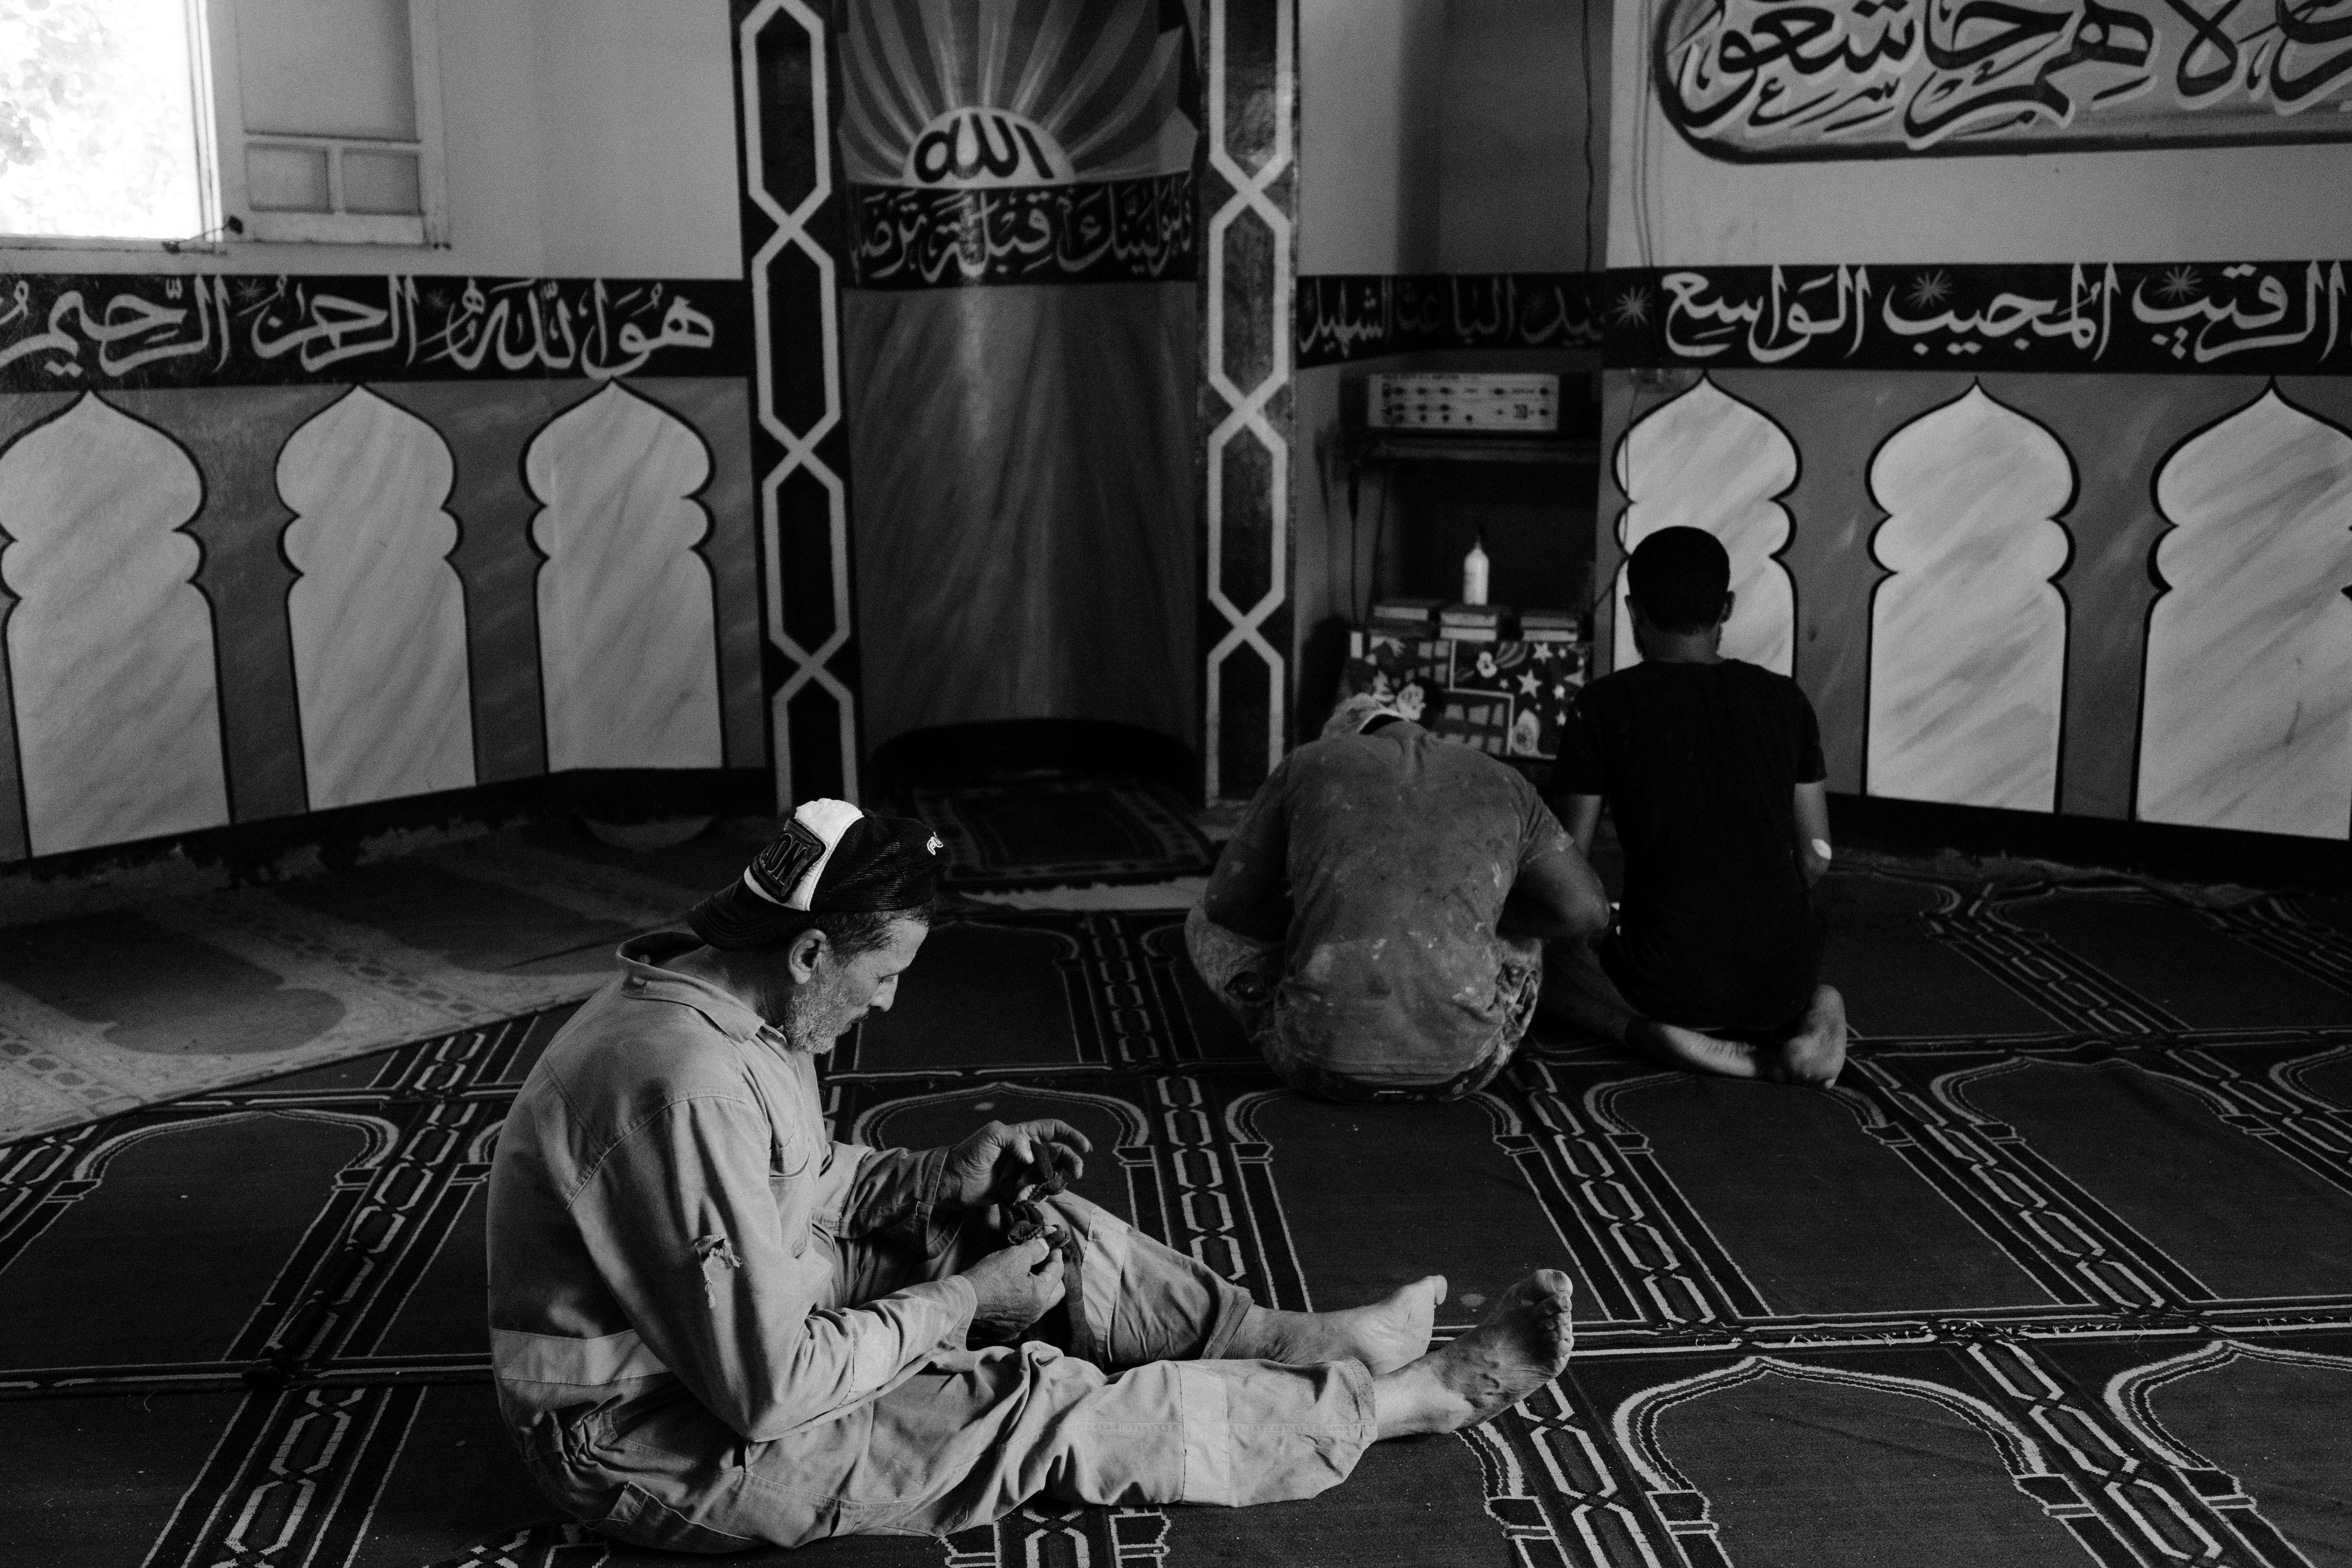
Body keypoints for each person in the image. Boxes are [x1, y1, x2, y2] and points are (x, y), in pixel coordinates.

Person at [487, 799, 1578, 1553]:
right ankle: (1395, 1403)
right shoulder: (684, 1086)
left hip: (727, 1335)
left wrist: (931, 1178)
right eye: (882, 976)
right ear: (812, 952)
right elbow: (766, 1390)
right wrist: (961, 1304)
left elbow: (794, 1188)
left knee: (1032, 1225)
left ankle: (1293, 1340)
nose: (887, 1005)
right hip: (646, 1436)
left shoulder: (742, 997)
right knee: (1032, 1408)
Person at [1187, 694, 1611, 1102]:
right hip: (1467, 1070)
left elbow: (1228, 905)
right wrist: (1483, 917)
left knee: (1201, 918)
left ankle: (1303, 1009)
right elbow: (1589, 912)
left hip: (1314, 1067)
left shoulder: (1310, 764)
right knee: (1532, 924)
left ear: (1347, 741)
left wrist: (1323, 923)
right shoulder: (1503, 778)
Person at [1540, 526, 1847, 1085]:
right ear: (1726, 607)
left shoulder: (1603, 706)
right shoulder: (1785, 700)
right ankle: (1816, 1013)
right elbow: (1817, 857)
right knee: (1803, 957)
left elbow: (1568, 871)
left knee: (1548, 961)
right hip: (1781, 981)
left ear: (1633, 611)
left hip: (1665, 986)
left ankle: (1653, 1035)